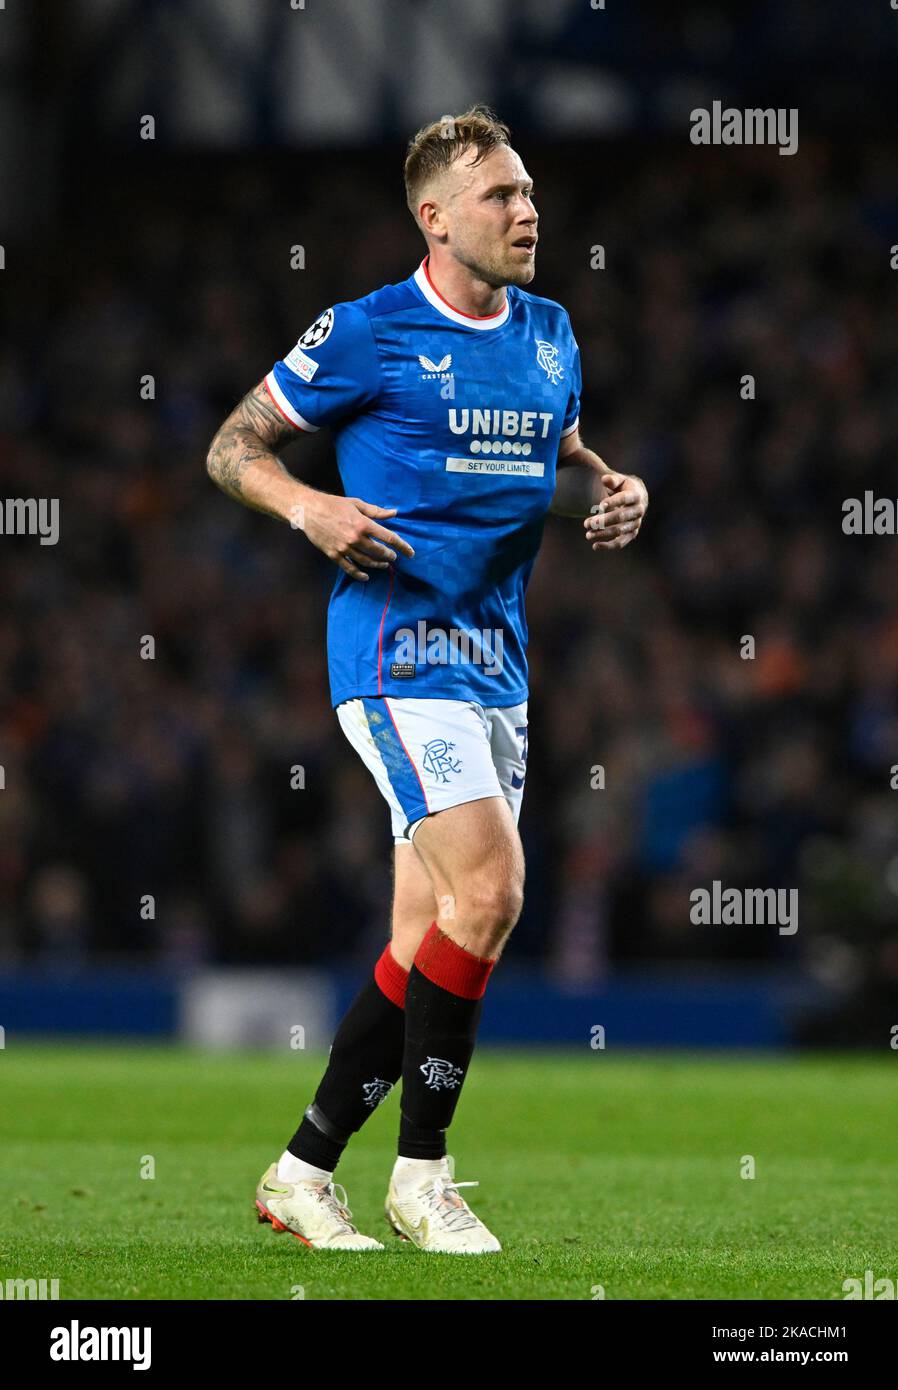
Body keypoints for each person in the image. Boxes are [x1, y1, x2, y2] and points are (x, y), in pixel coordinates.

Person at [206, 104, 648, 1253]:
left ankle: (301, 1171)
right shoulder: (365, 331)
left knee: (431, 936)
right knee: (493, 892)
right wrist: (308, 506)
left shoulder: (551, 333)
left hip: (496, 660)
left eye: (529, 191)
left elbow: (550, 456)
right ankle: (423, 1175)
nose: (526, 209)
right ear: (434, 216)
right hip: (399, 655)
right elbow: (232, 446)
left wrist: (609, 485)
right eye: (500, 194)